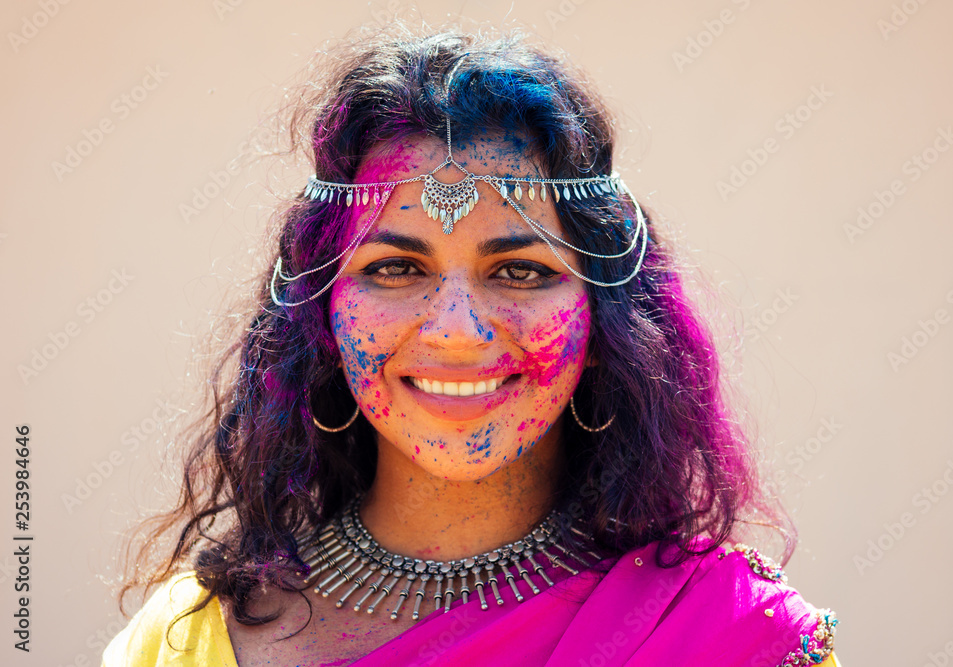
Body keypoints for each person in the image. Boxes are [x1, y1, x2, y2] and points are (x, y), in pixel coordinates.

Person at [103, 25, 841, 667]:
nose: (457, 329)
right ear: (319, 318)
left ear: (605, 318)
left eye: (520, 269)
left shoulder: (731, 637)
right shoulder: (189, 640)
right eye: (395, 267)